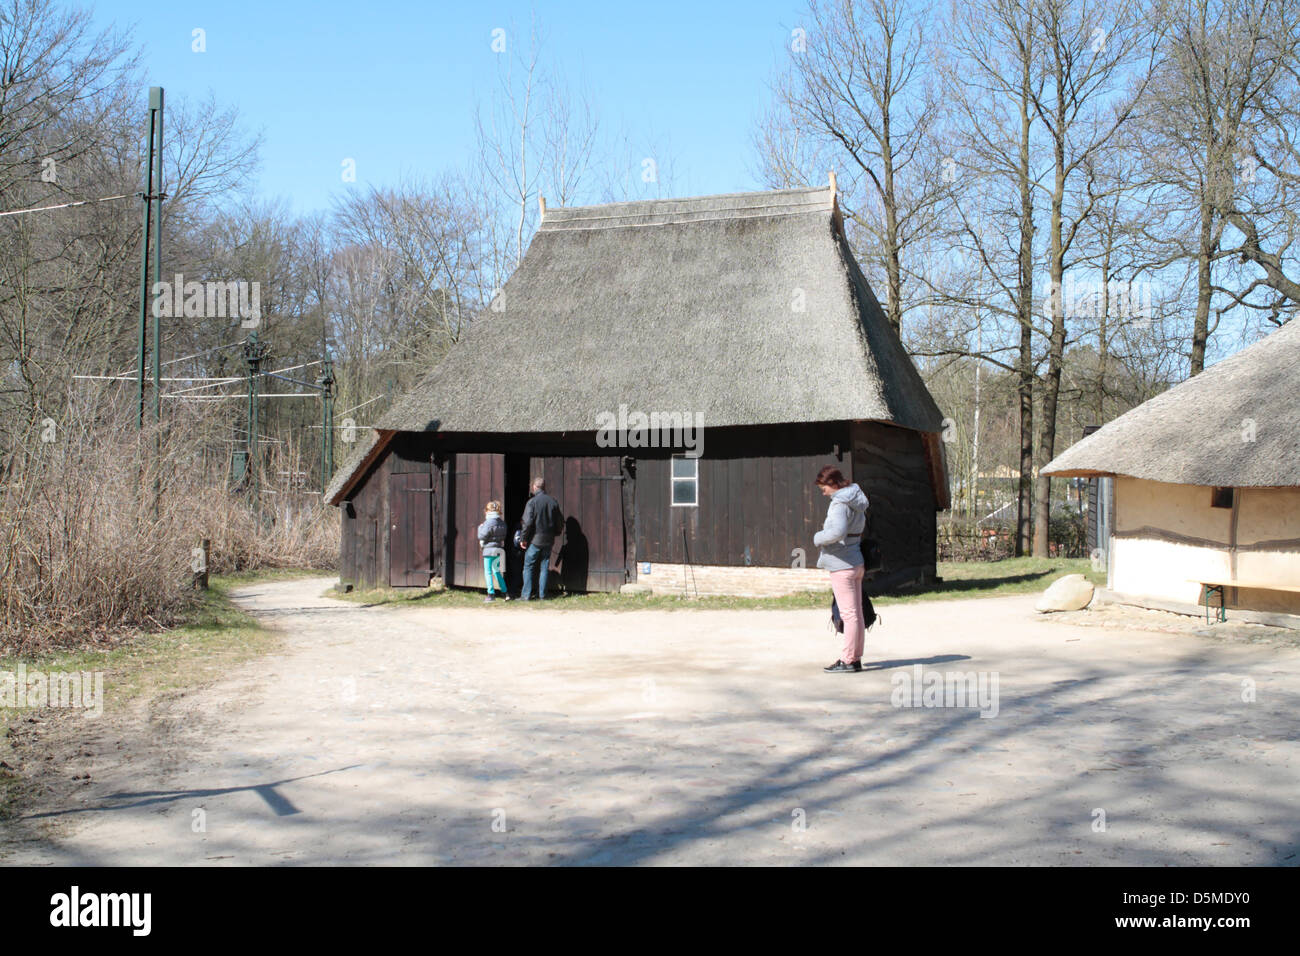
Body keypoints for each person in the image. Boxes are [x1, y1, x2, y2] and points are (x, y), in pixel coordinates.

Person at [812, 465, 870, 673]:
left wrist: (818, 538)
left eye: (823, 487)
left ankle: (848, 660)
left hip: (841, 563)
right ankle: (855, 657)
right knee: (857, 613)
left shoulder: (839, 504)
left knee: (849, 614)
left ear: (832, 483)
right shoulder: (856, 500)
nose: (823, 492)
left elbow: (837, 531)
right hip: (856, 560)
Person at [519, 477, 563, 601]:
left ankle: (526, 595)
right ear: (544, 487)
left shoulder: (532, 502)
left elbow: (527, 523)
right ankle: (542, 595)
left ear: (534, 487)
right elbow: (559, 521)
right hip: (548, 540)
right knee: (544, 567)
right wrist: (556, 533)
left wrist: (523, 538)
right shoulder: (553, 501)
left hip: (535, 540)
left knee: (528, 566)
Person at [477, 500, 509, 603]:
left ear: (488, 510)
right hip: (498, 549)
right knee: (497, 572)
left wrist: (480, 527)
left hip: (488, 551)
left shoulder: (487, 523)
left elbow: (481, 536)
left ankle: (491, 595)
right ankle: (505, 593)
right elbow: (504, 536)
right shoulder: (502, 523)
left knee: (488, 572)